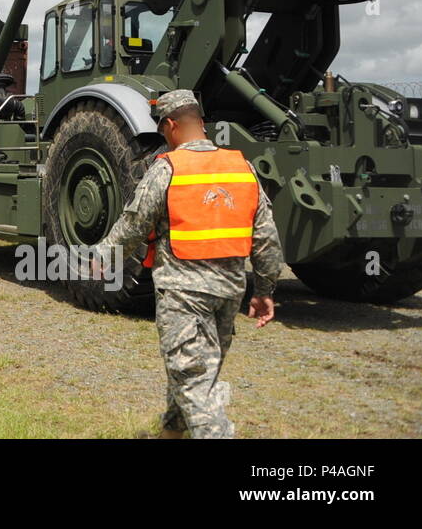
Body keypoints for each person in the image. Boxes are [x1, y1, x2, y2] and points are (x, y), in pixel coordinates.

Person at [94, 89, 282, 439]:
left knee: (194, 381)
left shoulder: (168, 167)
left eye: (163, 131)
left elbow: (135, 223)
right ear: (201, 122)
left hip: (183, 294)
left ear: (170, 125)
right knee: (193, 371)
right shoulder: (242, 168)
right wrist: (265, 291)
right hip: (229, 293)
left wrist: (104, 257)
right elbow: (267, 239)